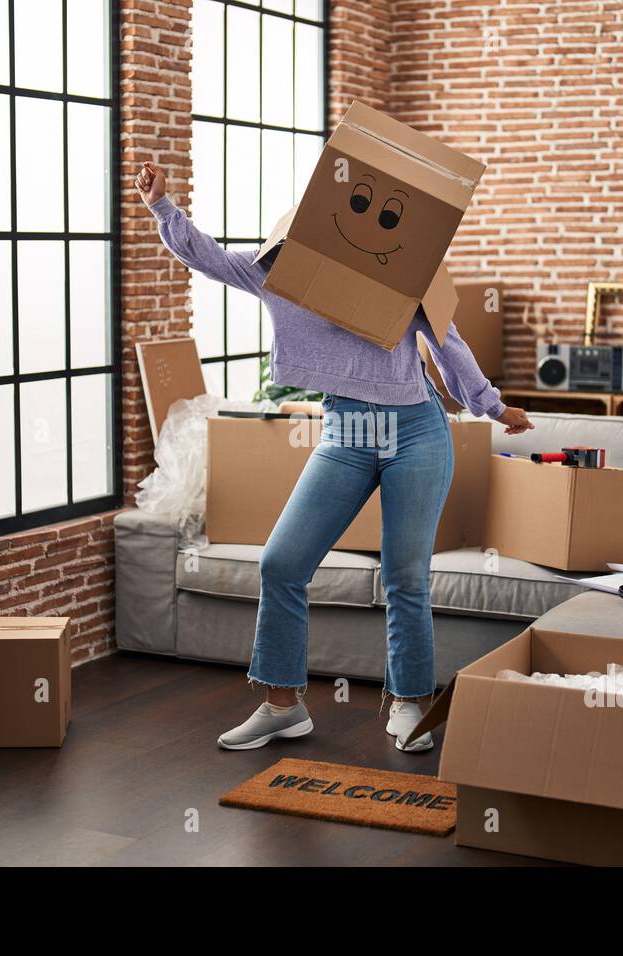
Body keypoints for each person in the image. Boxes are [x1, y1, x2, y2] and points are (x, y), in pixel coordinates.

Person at [135, 161, 532, 753]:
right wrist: (163, 208)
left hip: (416, 430)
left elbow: (446, 341)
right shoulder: (275, 274)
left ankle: (410, 702)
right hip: (345, 434)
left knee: (405, 576)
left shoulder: (391, 276)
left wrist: (492, 406)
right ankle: (282, 706)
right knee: (282, 562)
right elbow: (206, 256)